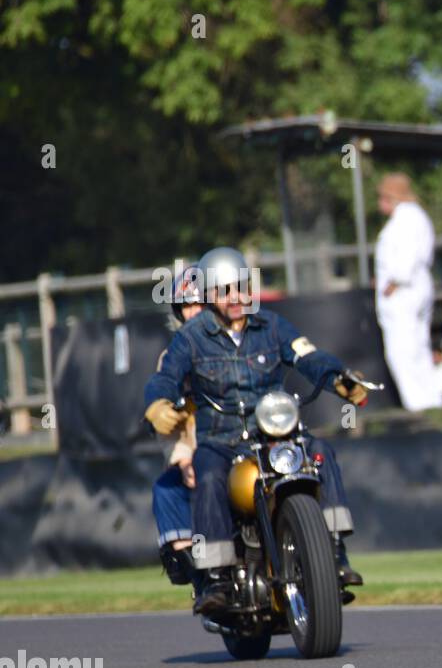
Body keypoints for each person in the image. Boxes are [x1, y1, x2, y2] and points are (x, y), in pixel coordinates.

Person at [143, 247, 370, 615]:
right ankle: (215, 576)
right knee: (209, 473)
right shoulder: (191, 338)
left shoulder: (273, 326)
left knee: (320, 452)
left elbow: (307, 356)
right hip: (222, 440)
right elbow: (165, 377)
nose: (235, 298)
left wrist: (339, 378)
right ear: (210, 296)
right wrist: (158, 405)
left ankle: (334, 554)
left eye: (241, 288)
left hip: (276, 432)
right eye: (224, 290)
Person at [152, 265, 204, 591]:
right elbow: (166, 422)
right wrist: (184, 459)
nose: (195, 311)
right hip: (201, 452)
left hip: (250, 444)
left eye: (201, 302)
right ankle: (199, 575)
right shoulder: (171, 359)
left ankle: (331, 550)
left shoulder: (248, 341)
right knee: (166, 488)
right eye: (187, 305)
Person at [375, 173, 441, 411]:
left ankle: (418, 404)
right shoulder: (417, 216)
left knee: (402, 352)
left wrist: (393, 283)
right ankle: (431, 401)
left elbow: (405, 259)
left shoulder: (405, 220)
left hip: (404, 292)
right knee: (418, 347)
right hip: (417, 287)